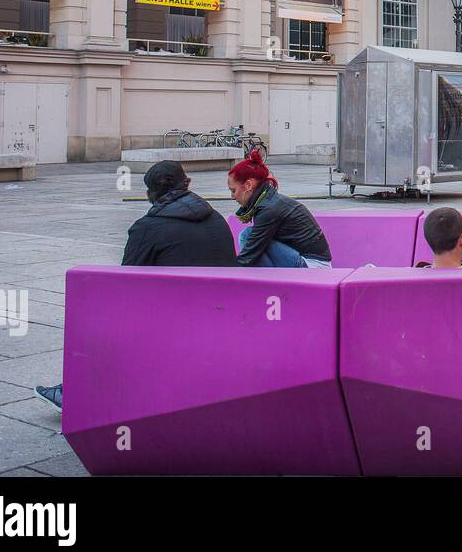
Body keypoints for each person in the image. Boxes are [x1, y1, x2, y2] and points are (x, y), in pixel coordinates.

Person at [34, 161, 236, 413]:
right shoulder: (216, 219)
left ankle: (75, 394)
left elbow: (126, 286)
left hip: (177, 326)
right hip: (224, 316)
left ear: (150, 193)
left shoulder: (147, 228)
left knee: (103, 320)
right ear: (187, 184)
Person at [229, 150, 332, 267]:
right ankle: (268, 281)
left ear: (248, 185)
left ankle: (268, 283)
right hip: (309, 261)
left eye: (233, 190)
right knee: (249, 236)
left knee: (247, 235)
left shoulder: (268, 209)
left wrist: (226, 275)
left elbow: (248, 256)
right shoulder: (269, 201)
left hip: (313, 266)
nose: (232, 197)